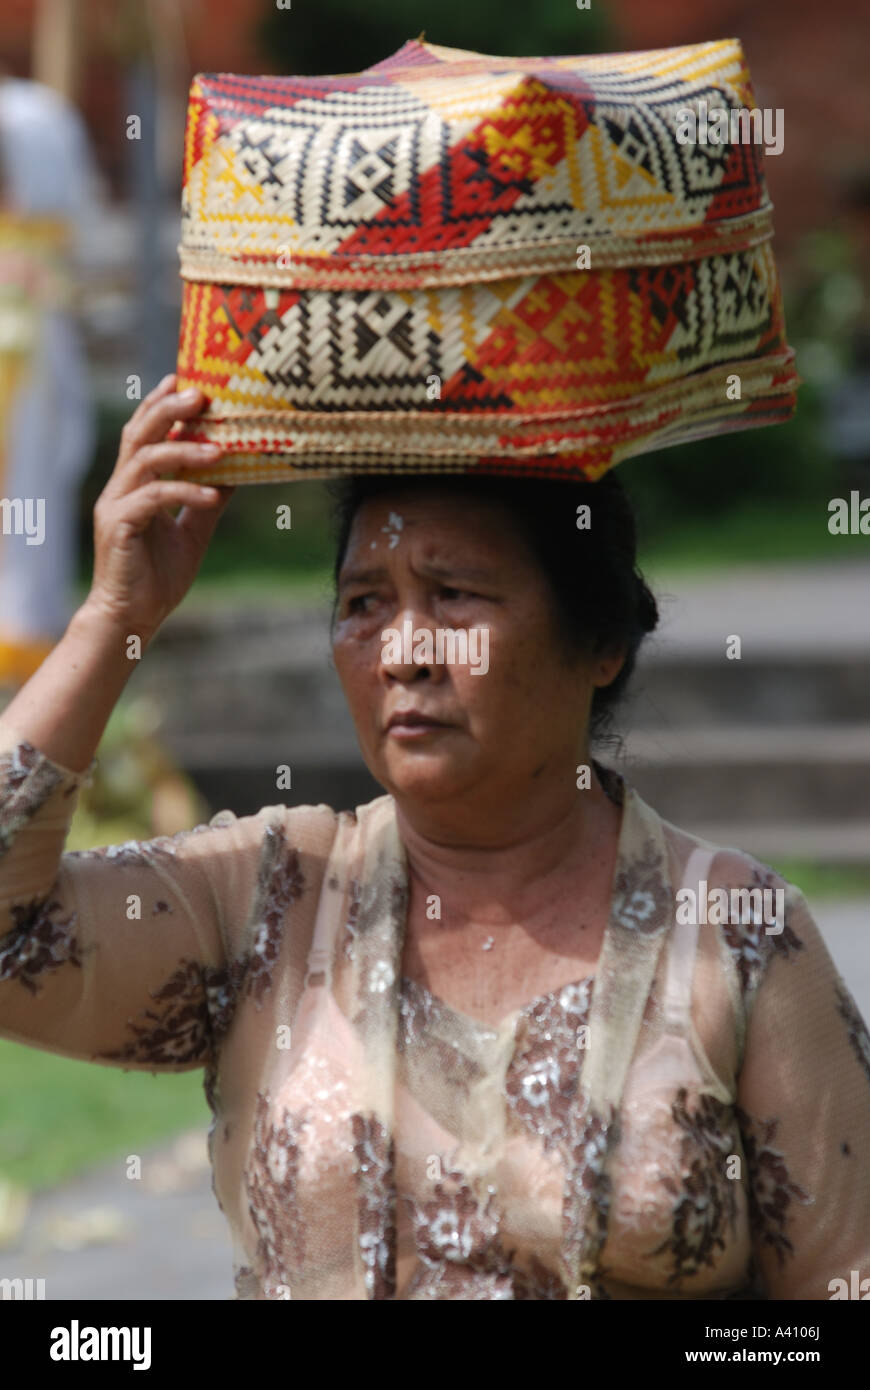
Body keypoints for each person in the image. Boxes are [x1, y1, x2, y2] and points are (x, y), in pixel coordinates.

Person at [0, 375, 868, 1300]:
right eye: (365, 602)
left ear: (599, 640)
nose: (404, 651)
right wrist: (115, 618)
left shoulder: (733, 934)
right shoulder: (272, 897)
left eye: (454, 597)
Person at [0, 68, 104, 686]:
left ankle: (24, 631)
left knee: (27, 493)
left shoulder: (34, 115)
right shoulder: (39, 112)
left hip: (29, 349)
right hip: (32, 335)